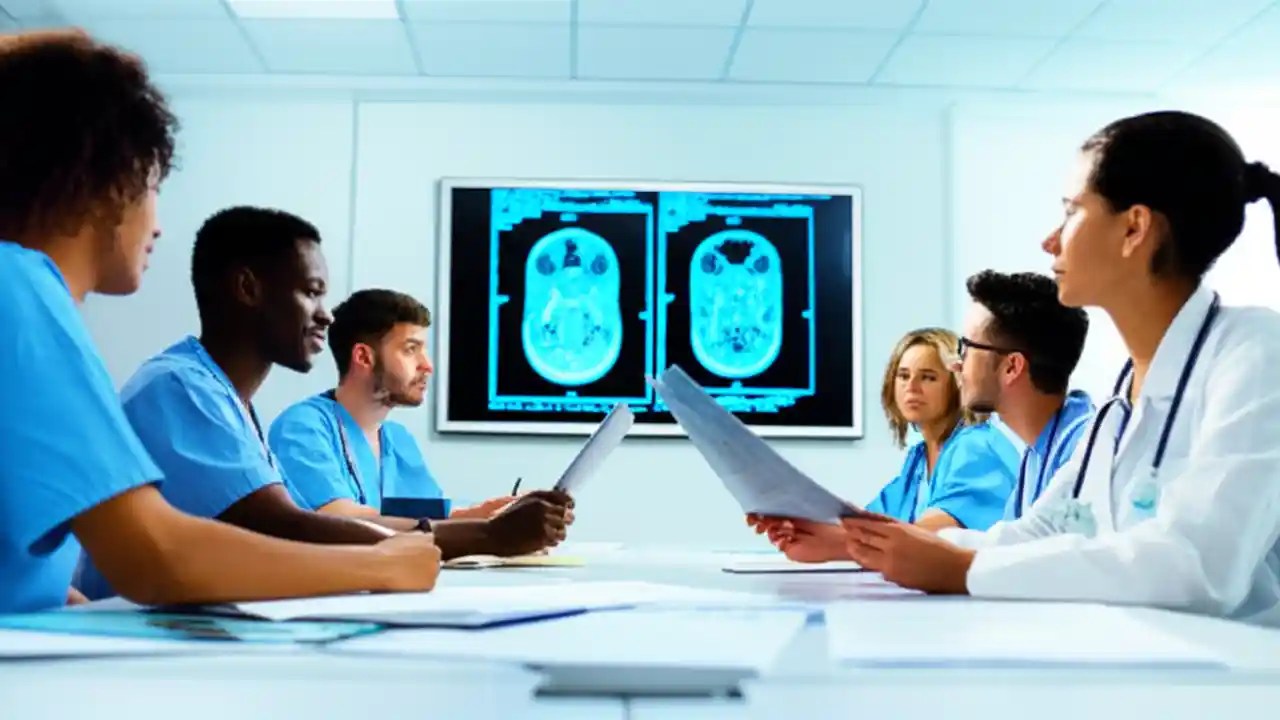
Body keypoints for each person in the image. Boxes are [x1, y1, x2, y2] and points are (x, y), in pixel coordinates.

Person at [0, 31, 438, 613]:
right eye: (155, 185)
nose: (157, 225)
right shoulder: (22, 292)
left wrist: (70, 603)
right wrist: (380, 565)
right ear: (106, 180)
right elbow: (153, 555)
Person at [839, 110, 1280, 627]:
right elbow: (1041, 530)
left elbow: (1200, 566)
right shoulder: (1121, 398)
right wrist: (882, 545)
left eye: (1071, 213)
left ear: (1134, 228)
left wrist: (964, 569)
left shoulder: (1255, 351)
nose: (1051, 240)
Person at [76, 206, 571, 600]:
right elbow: (286, 526)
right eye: (311, 293)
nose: (327, 315)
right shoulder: (181, 388)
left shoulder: (232, 404)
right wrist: (484, 536)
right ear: (248, 288)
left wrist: (481, 523)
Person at [748, 327, 1020, 563]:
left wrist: (837, 544)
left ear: (957, 384)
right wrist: (799, 522)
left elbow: (939, 536)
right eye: (903, 375)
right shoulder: (918, 461)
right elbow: (872, 524)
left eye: (928, 377)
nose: (911, 387)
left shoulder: (977, 446)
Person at [268, 288, 519, 520]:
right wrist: (481, 531)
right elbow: (339, 518)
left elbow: (432, 519)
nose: (427, 365)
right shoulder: (302, 428)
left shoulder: (398, 440)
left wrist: (491, 518)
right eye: (411, 350)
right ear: (364, 357)